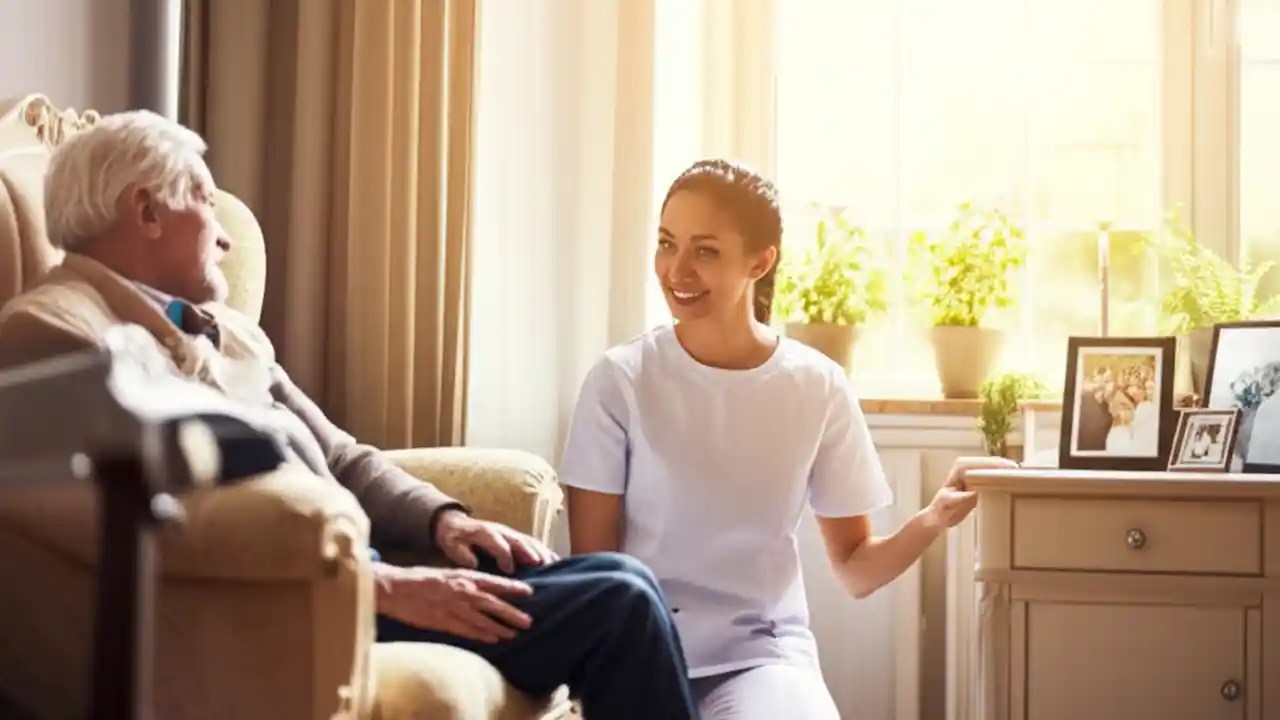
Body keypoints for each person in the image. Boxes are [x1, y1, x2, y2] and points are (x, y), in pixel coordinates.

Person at [0, 111, 697, 719]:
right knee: (621, 608)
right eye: (206, 204)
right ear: (147, 212)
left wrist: (443, 522)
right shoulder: (56, 335)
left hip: (362, 578)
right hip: (294, 611)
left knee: (626, 578)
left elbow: (339, 455)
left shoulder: (231, 332)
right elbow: (143, 527)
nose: (226, 239)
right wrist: (384, 588)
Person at [559, 158, 1015, 719]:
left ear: (761, 260)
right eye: (666, 243)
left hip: (762, 659)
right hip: (639, 654)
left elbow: (854, 568)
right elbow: (598, 575)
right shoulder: (620, 380)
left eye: (704, 250)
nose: (676, 269)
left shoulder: (815, 385)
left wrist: (932, 519)